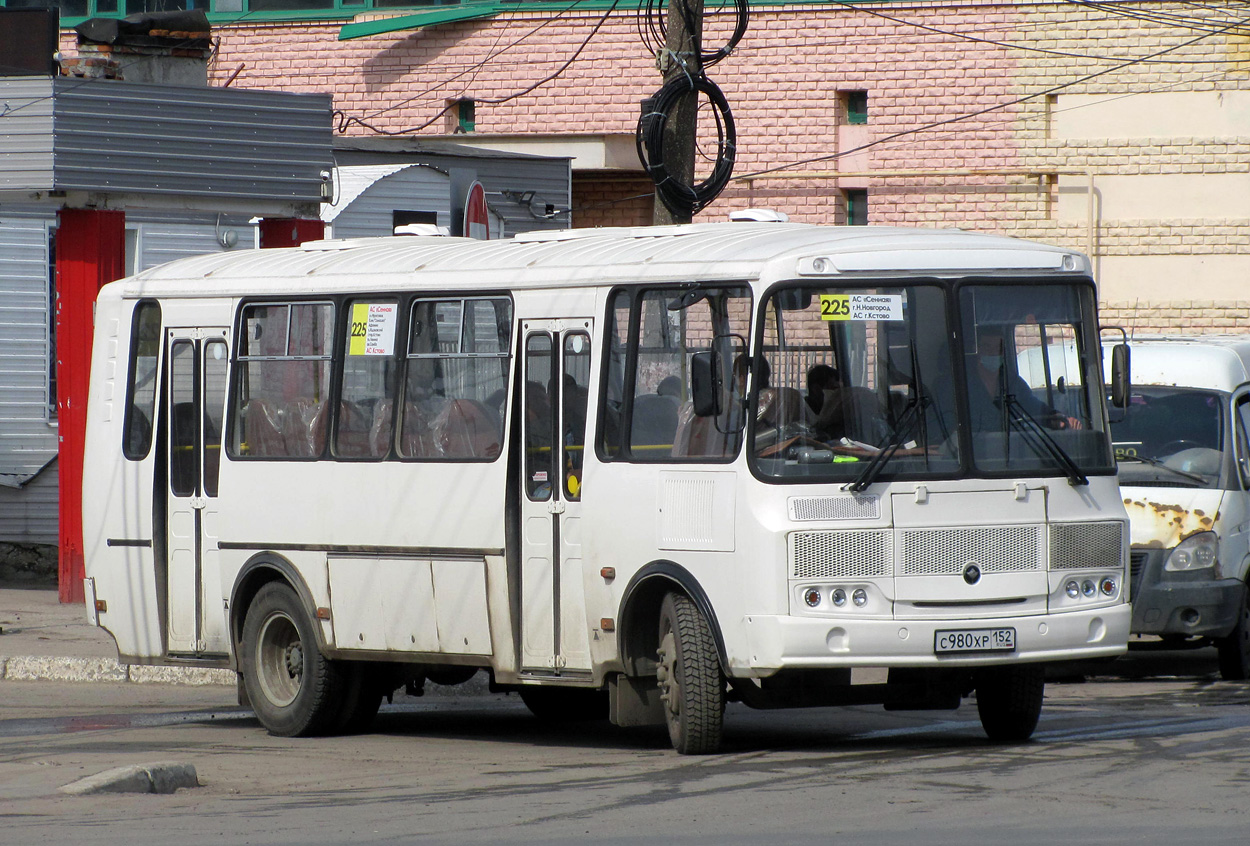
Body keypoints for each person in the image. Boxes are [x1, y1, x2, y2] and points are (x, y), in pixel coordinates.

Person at [967, 328, 1081, 431]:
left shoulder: (1012, 382)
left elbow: (1033, 407)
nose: (993, 353)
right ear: (977, 350)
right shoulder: (965, 385)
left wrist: (1057, 419)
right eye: (987, 347)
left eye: (998, 348)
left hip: (1012, 444)